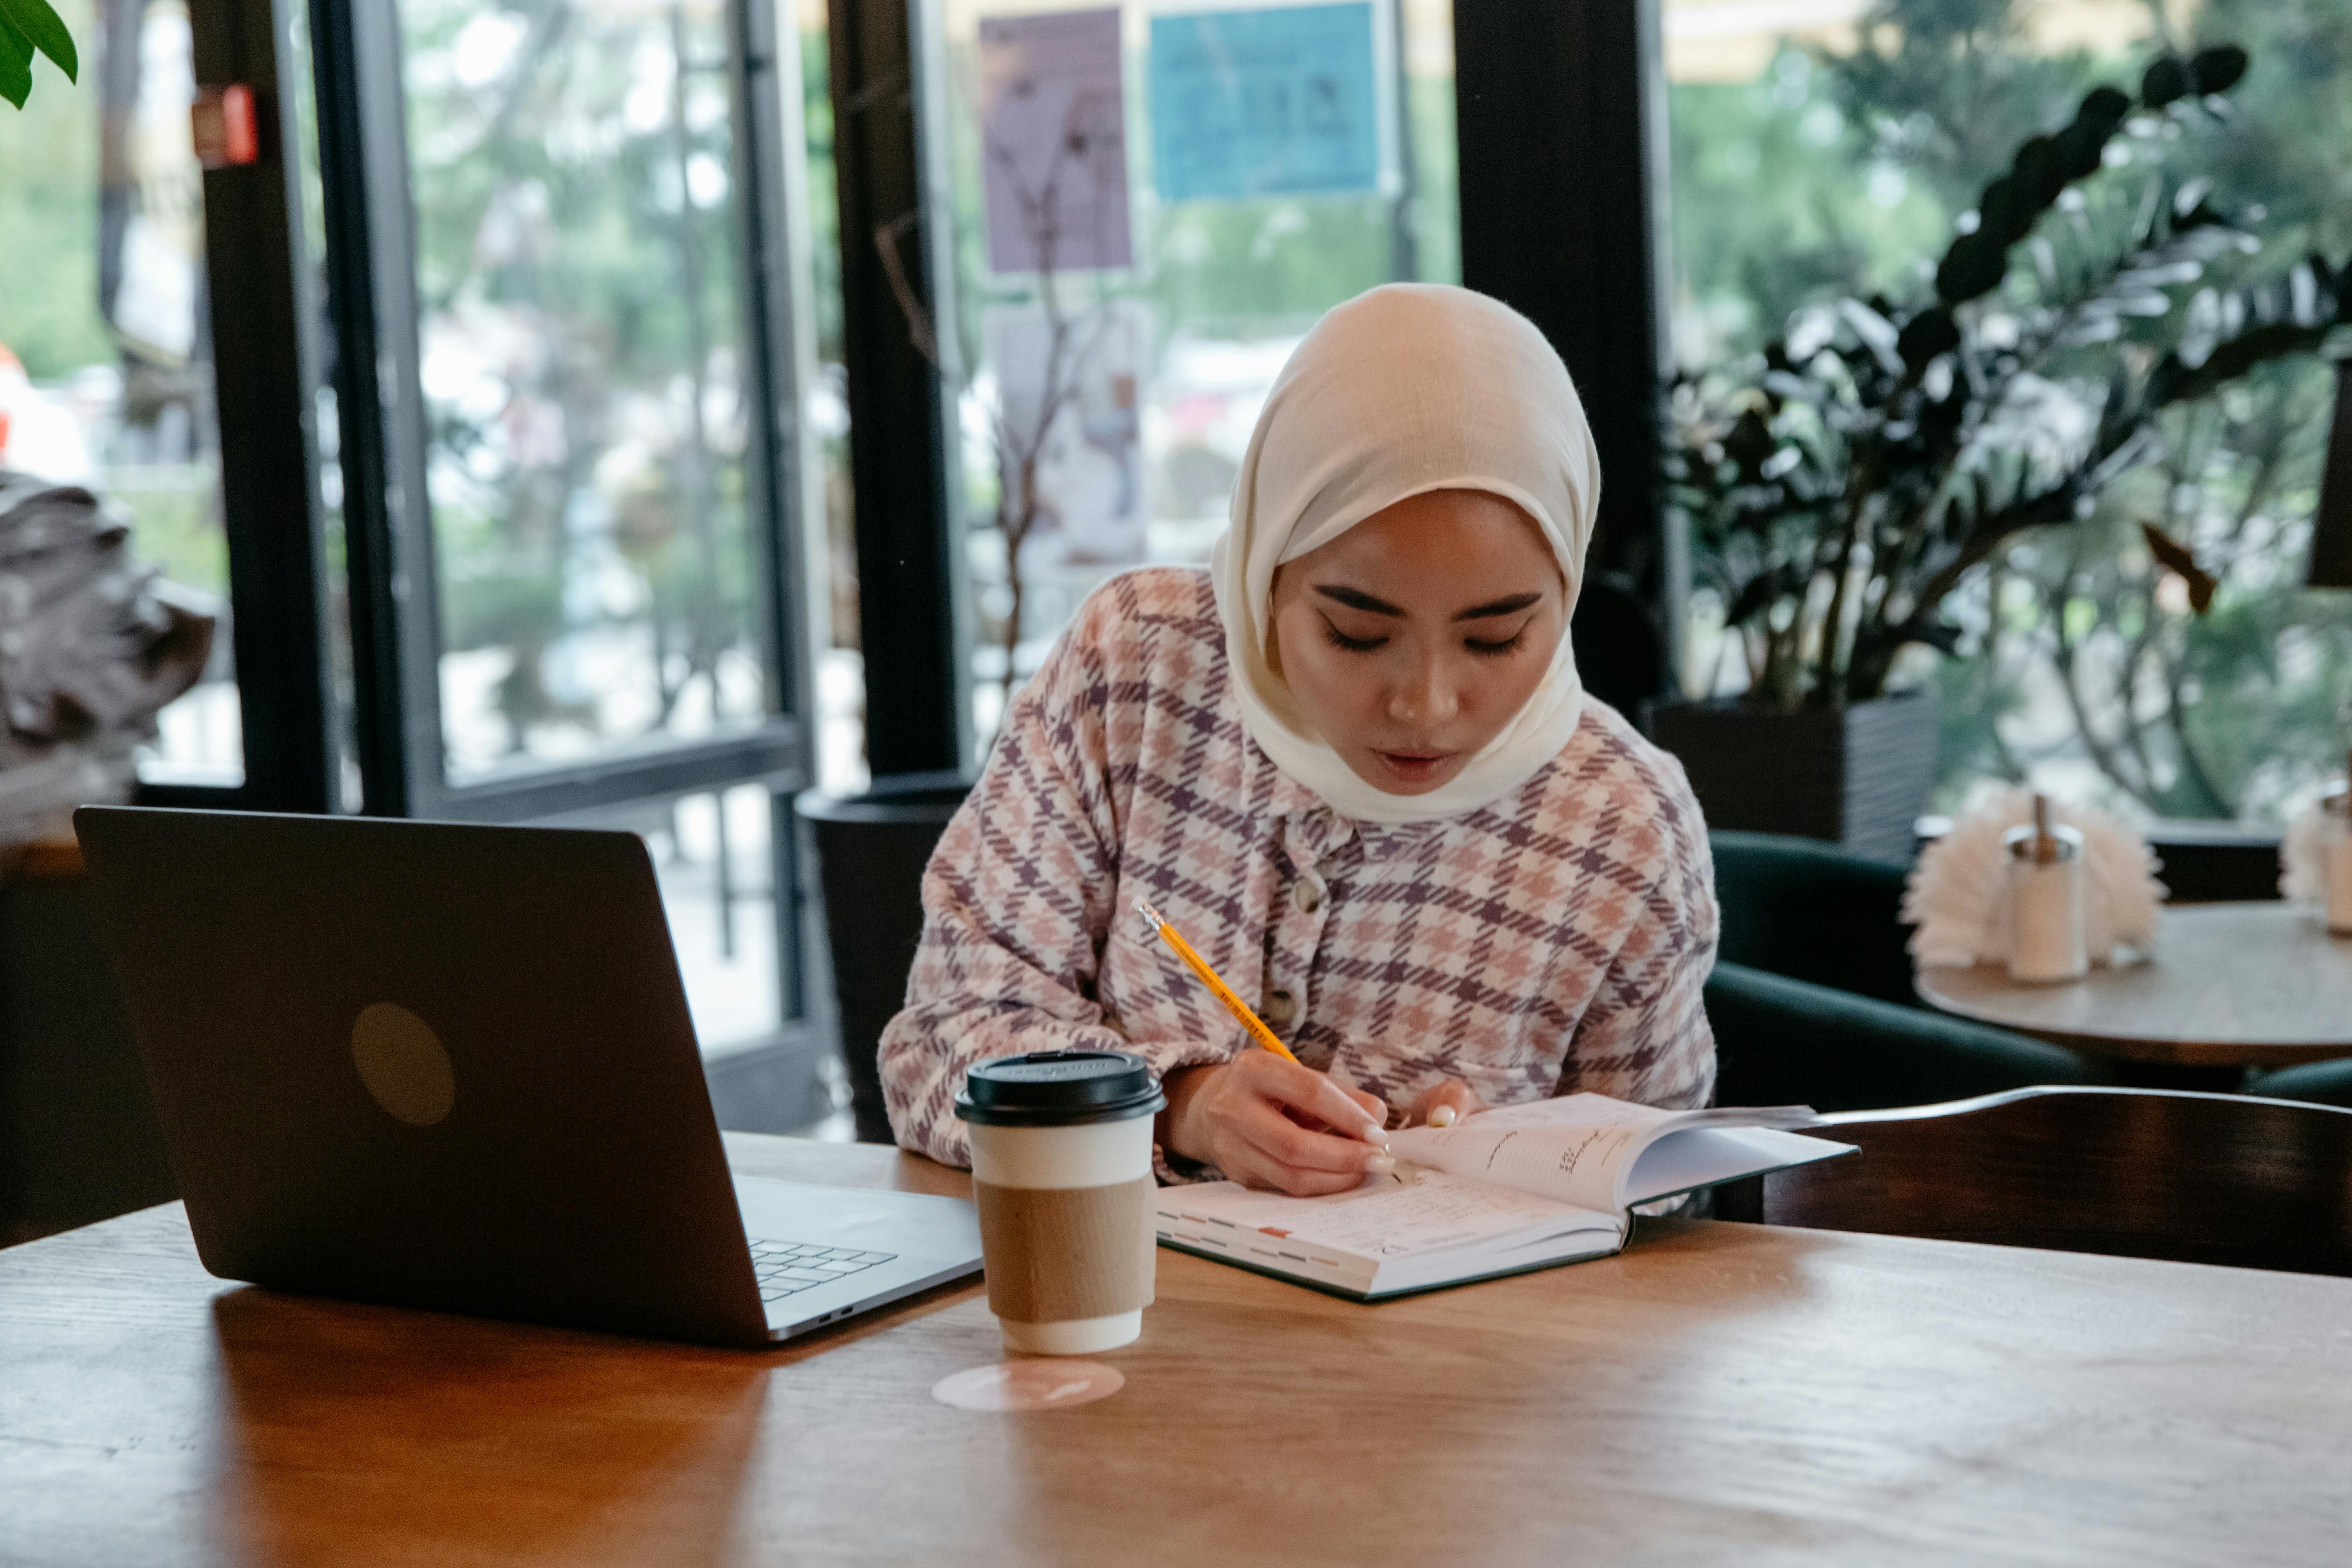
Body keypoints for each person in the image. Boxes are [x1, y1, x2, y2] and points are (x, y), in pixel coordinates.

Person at [878, 284, 1717, 1195]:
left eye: (1495, 638)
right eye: (1356, 633)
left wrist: (1503, 1172)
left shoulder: (1620, 826)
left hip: (1452, 1341)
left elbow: (1668, 1202)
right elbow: (937, 1043)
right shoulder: (1135, 671)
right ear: (1264, 568)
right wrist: (1183, 1105)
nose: (1425, 706)